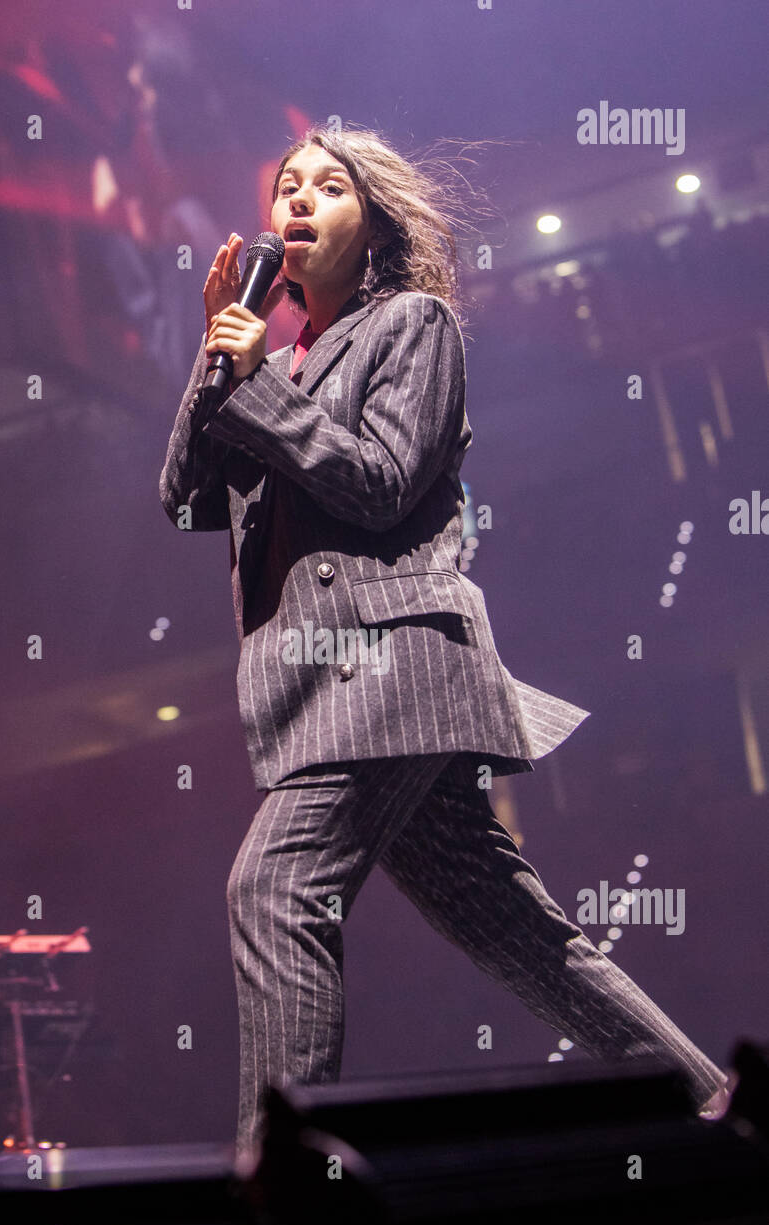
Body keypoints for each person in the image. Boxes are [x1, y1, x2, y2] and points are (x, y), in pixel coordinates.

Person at [159, 125, 730, 1165]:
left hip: (390, 665)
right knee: (505, 922)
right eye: (284, 184)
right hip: (314, 680)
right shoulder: (267, 360)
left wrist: (260, 387)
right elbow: (183, 498)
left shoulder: (411, 325)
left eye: (326, 188)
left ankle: (279, 1172)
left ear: (371, 223)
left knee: (274, 888)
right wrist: (218, 360)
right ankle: (715, 1108)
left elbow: (379, 481)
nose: (295, 200)